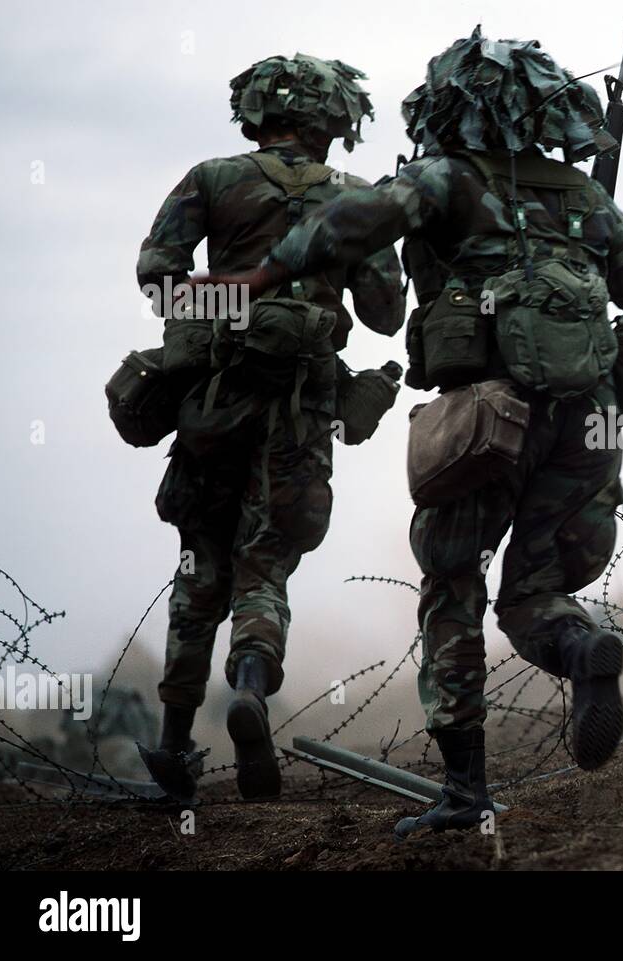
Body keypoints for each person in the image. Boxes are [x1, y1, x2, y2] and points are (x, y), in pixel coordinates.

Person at [204, 29, 623, 832]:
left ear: (450, 108)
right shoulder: (584, 195)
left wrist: (261, 272)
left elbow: (348, 227)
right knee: (534, 591)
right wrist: (579, 238)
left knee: (452, 587)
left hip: (490, 419)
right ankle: (580, 651)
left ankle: (465, 791)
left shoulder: (446, 178)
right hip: (590, 416)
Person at [136, 53, 404, 800]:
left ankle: (173, 745)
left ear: (257, 112)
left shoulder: (212, 179)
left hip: (214, 405)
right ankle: (250, 689)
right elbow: (386, 314)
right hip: (299, 414)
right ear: (333, 121)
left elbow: (157, 276)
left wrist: (235, 314)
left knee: (200, 564)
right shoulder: (353, 198)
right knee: (265, 567)